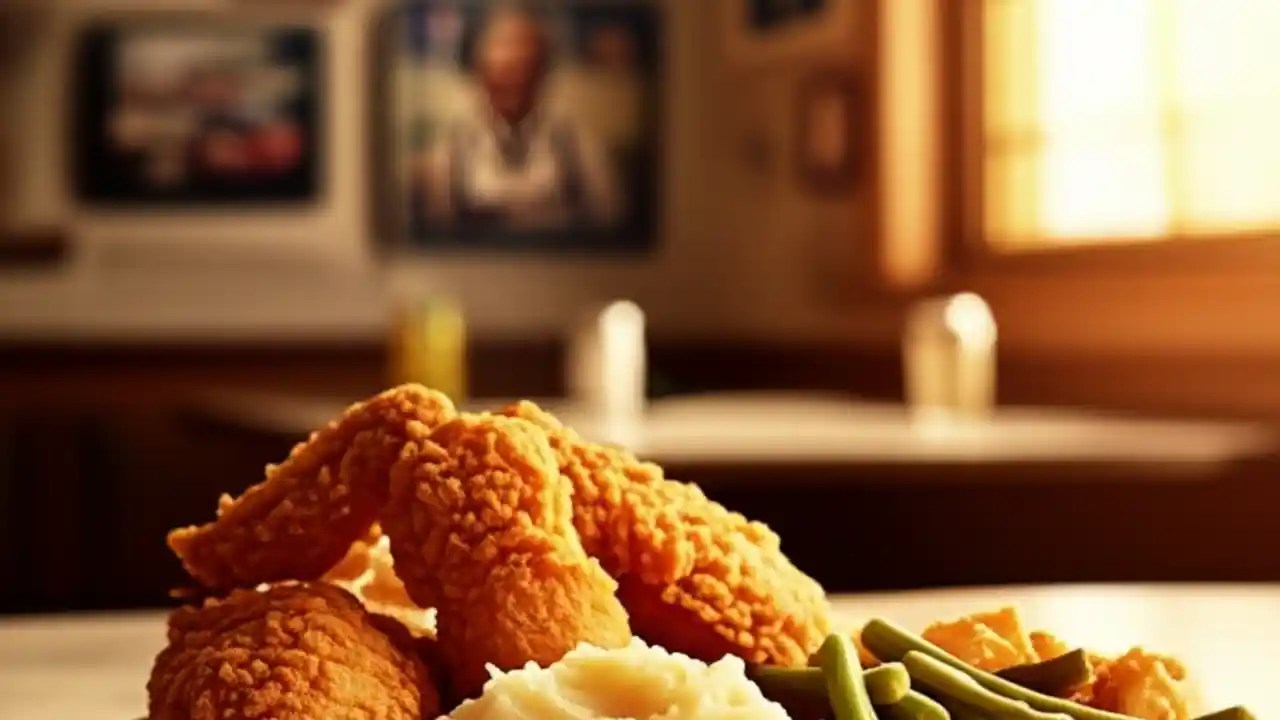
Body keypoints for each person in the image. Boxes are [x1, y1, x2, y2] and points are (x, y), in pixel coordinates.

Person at [421, 3, 622, 232]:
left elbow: (609, 220)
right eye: (503, 74)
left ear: (542, 75)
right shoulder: (452, 149)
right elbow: (439, 229)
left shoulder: (576, 145)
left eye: (526, 70)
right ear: (478, 75)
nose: (515, 83)